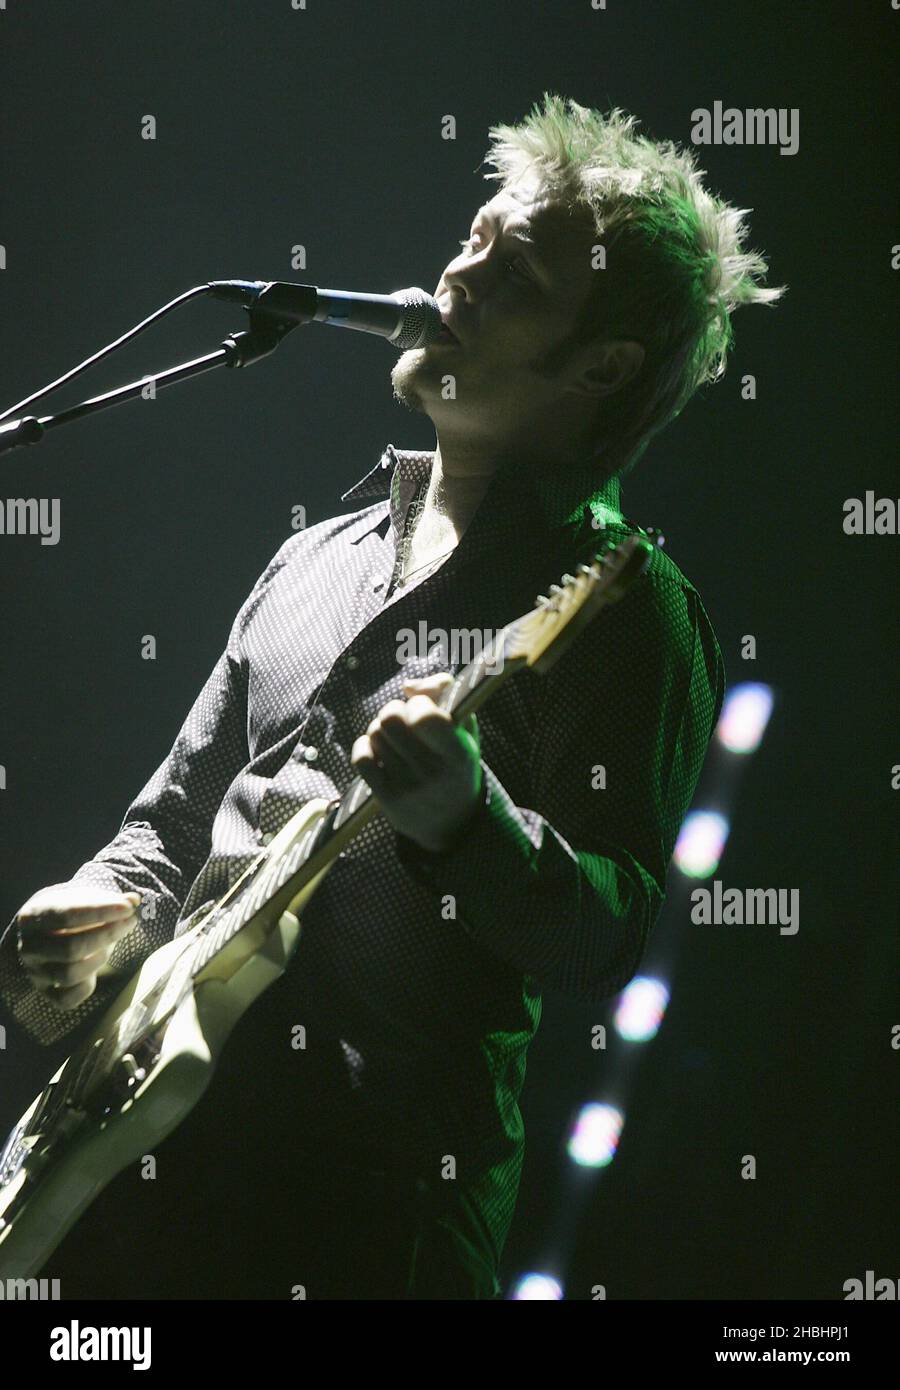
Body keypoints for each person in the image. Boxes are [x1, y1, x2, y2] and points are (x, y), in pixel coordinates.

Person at [0, 94, 783, 1298]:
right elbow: (167, 827)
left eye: (510, 269)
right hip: (137, 1160)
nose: (455, 272)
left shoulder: (629, 611)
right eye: (470, 237)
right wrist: (88, 917)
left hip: (364, 1212)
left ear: (603, 365)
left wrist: (468, 822)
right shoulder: (315, 557)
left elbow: (617, 932)